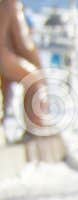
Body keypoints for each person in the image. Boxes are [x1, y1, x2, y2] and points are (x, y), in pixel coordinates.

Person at [0, 0, 43, 130]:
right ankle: (37, 131)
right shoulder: (10, 4)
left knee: (8, 86)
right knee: (33, 79)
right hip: (3, 55)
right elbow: (24, 43)